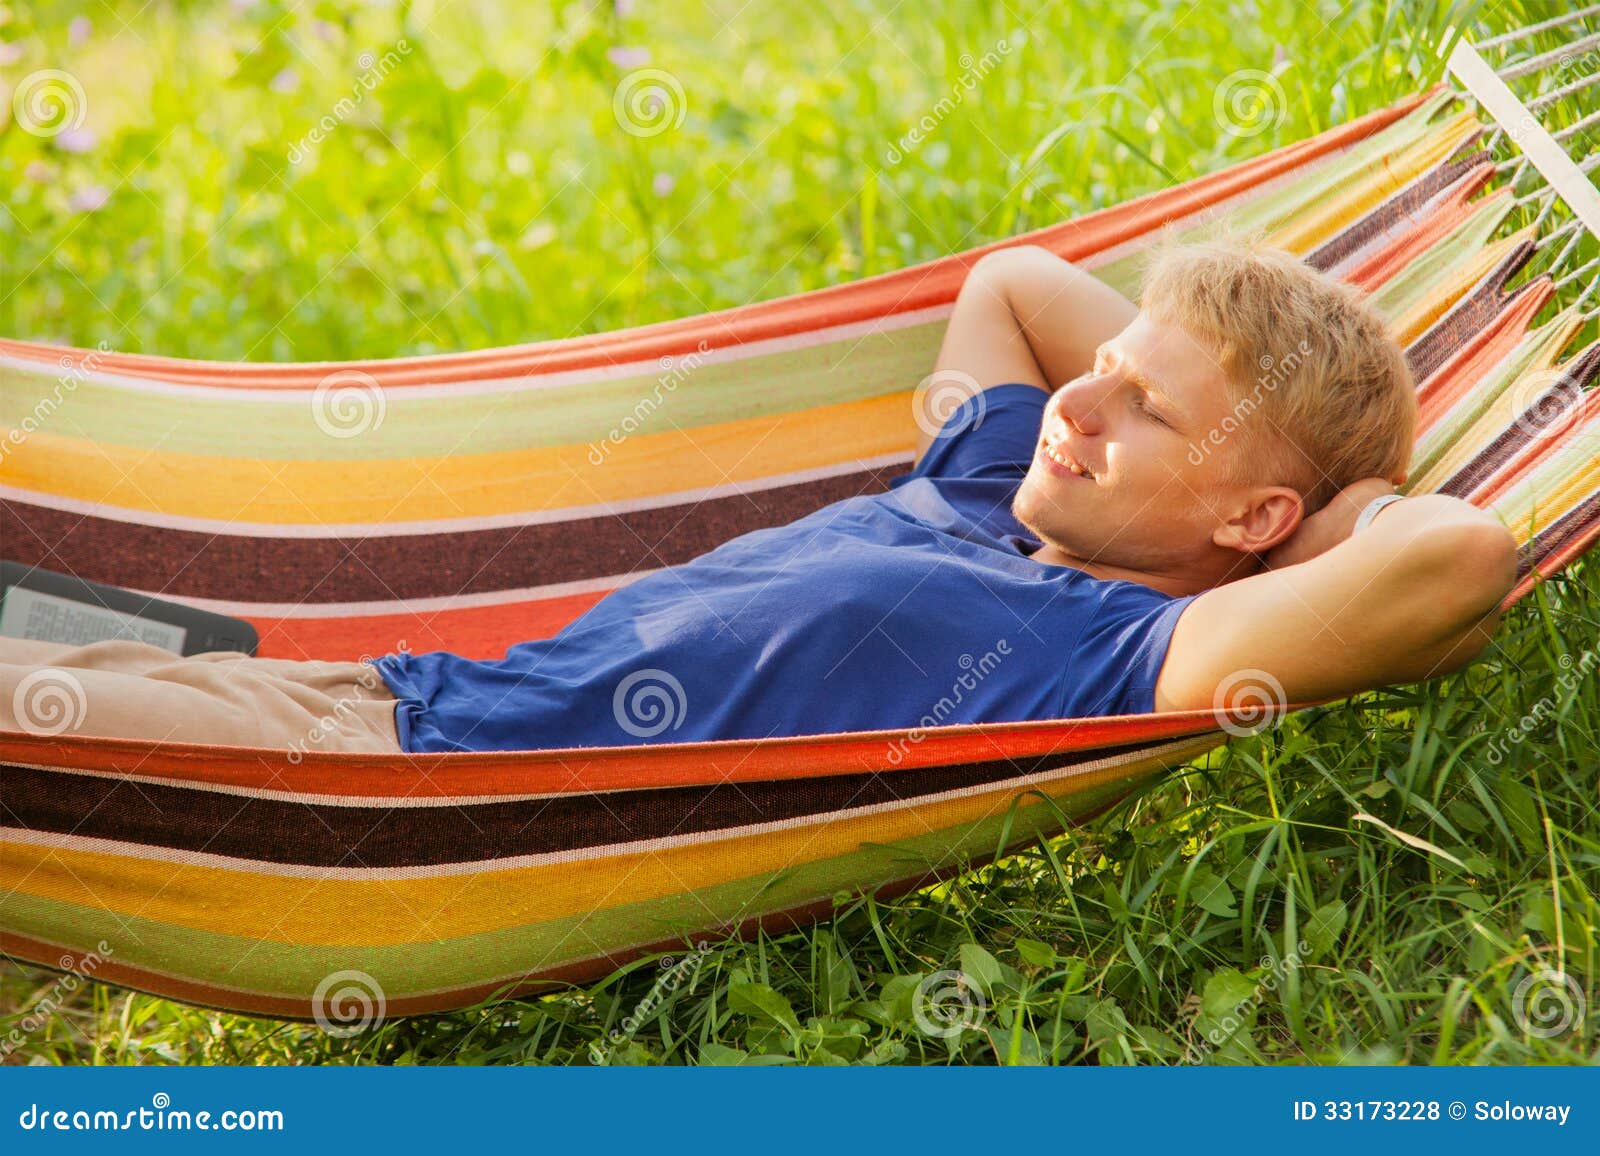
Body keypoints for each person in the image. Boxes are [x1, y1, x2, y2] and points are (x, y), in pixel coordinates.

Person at [0, 234, 1519, 755]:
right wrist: (1181, 388)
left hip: (407, 780)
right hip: (370, 693)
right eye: (1102, 370)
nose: (1081, 398)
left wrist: (1308, 521)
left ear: (1256, 526)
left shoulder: (1115, 651)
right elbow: (1015, 286)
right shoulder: (997, 484)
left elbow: (1456, 557)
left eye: (1144, 409)